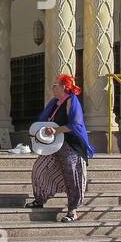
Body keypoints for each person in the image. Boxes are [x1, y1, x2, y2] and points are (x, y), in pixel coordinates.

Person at [25, 74, 96, 223]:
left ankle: (73, 210)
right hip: (54, 145)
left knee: (72, 176)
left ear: (63, 87)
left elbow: (75, 125)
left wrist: (56, 130)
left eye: (55, 85)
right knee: (40, 168)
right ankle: (40, 198)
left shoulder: (72, 102)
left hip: (71, 146)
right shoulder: (54, 102)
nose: (53, 87)